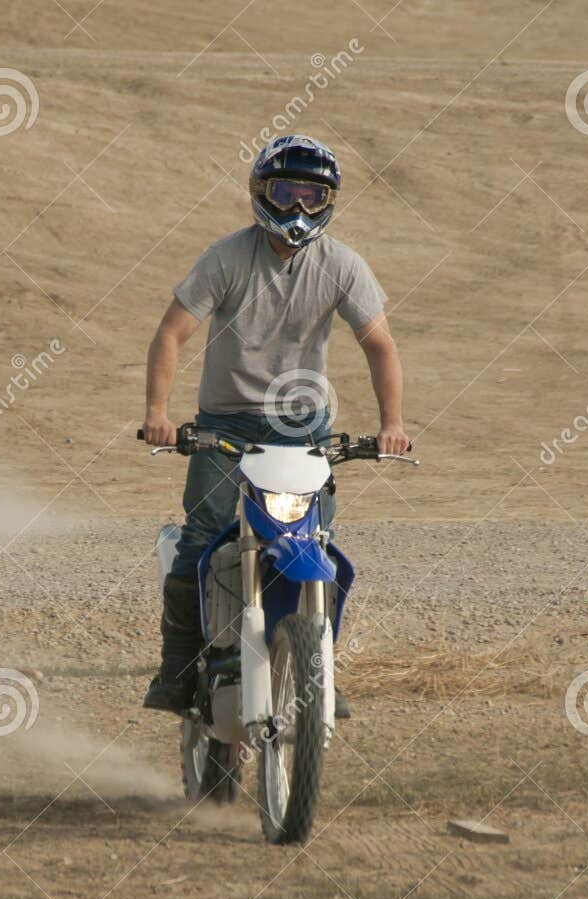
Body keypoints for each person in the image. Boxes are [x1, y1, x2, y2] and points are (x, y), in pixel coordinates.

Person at [140, 134, 410, 714]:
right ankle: (178, 672)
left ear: (328, 202)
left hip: (302, 427)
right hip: (223, 424)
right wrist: (158, 416)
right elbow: (171, 334)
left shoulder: (342, 264)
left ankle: (317, 676)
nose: (298, 209)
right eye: (286, 192)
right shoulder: (226, 258)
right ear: (261, 193)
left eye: (314, 196)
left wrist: (392, 424)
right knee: (202, 537)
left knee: (317, 542)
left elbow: (380, 345)